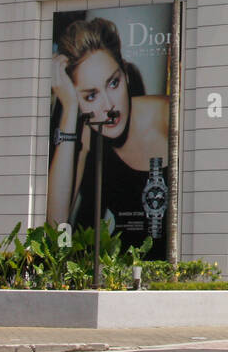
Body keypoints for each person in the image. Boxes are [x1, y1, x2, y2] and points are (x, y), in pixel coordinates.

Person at [47, 17, 169, 251]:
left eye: (113, 83)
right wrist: (70, 108)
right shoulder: (88, 132)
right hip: (118, 276)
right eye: (90, 96)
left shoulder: (167, 116)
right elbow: (56, 227)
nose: (109, 105)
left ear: (126, 74)